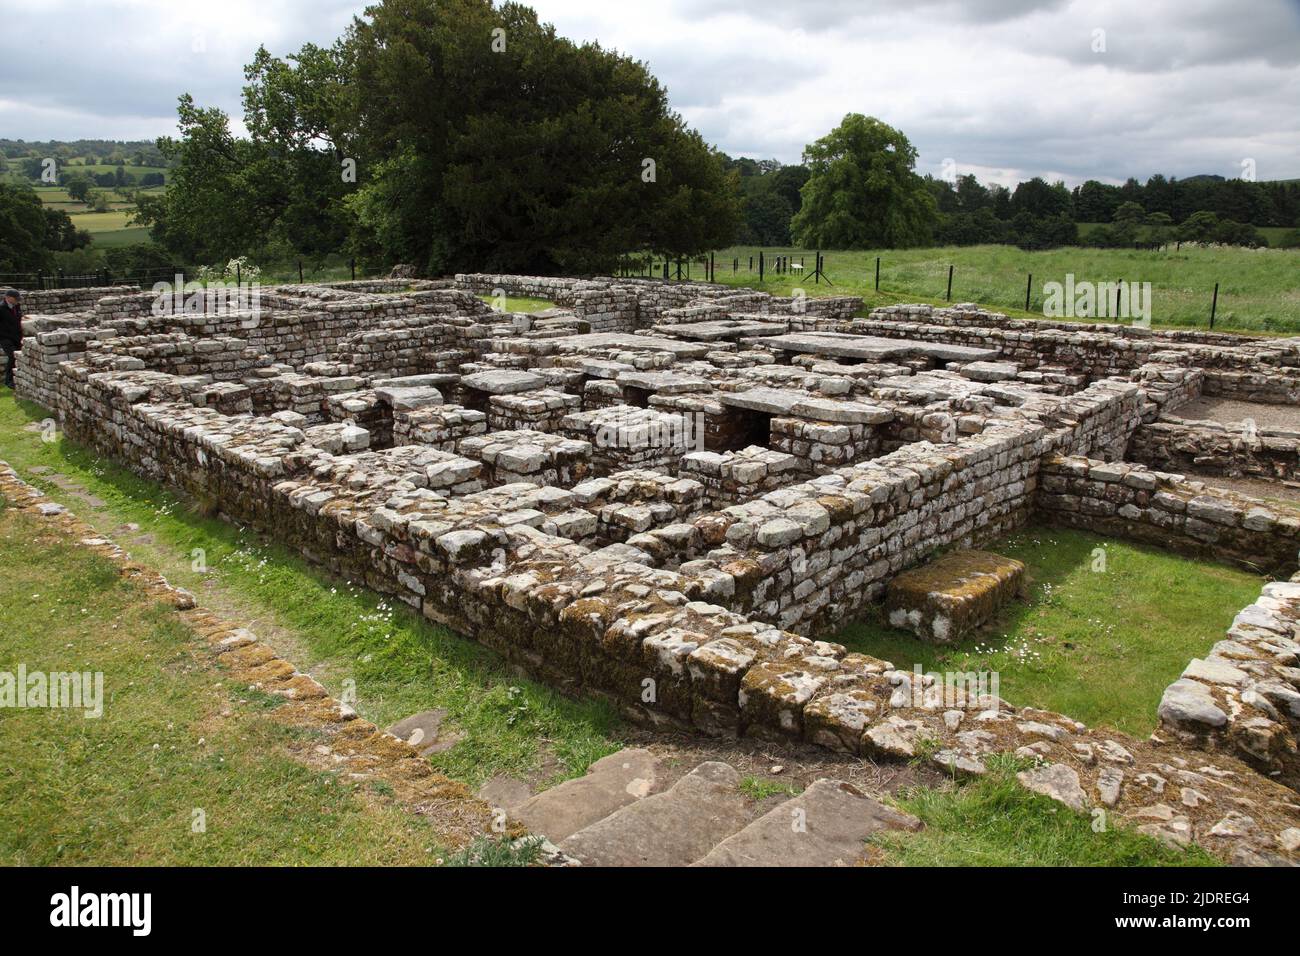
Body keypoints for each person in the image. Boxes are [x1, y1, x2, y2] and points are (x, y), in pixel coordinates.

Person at [0, 288, 22, 389]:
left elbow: (18, 319)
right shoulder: (1, 308)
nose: (18, 300)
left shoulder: (17, 306)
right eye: (16, 298)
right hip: (5, 338)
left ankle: (18, 378)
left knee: (18, 356)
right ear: (8, 298)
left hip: (17, 337)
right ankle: (9, 381)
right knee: (13, 355)